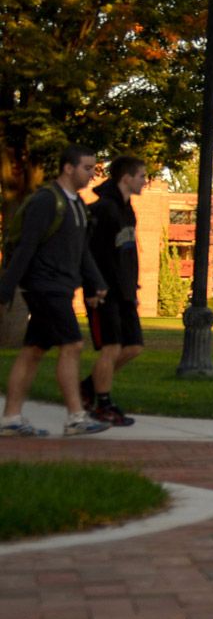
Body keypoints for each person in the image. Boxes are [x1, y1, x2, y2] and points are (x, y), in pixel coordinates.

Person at [0, 145, 111, 437]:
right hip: (44, 285)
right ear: (68, 168)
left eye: (93, 168)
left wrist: (96, 282)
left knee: (33, 350)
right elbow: (26, 246)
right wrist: (6, 288)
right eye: (87, 168)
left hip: (61, 285)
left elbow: (83, 252)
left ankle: (10, 418)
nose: (91, 174)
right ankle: (76, 417)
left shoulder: (77, 205)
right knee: (72, 345)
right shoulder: (46, 201)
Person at [79, 155, 147, 428]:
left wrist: (133, 285)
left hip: (125, 291)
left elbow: (127, 254)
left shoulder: (128, 210)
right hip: (103, 291)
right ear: (126, 178)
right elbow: (87, 253)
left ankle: (87, 387)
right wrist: (94, 286)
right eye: (141, 175)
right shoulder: (102, 209)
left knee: (133, 347)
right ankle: (102, 404)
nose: (144, 180)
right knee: (112, 347)